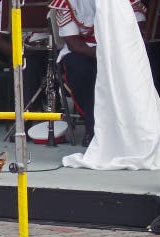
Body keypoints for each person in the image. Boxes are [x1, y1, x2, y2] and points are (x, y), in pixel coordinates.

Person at [48, 0, 146, 146]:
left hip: (120, 47)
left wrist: (116, 52)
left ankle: (131, 129)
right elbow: (72, 42)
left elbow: (138, 29)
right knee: (81, 70)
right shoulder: (68, 2)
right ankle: (92, 128)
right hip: (84, 50)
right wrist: (102, 54)